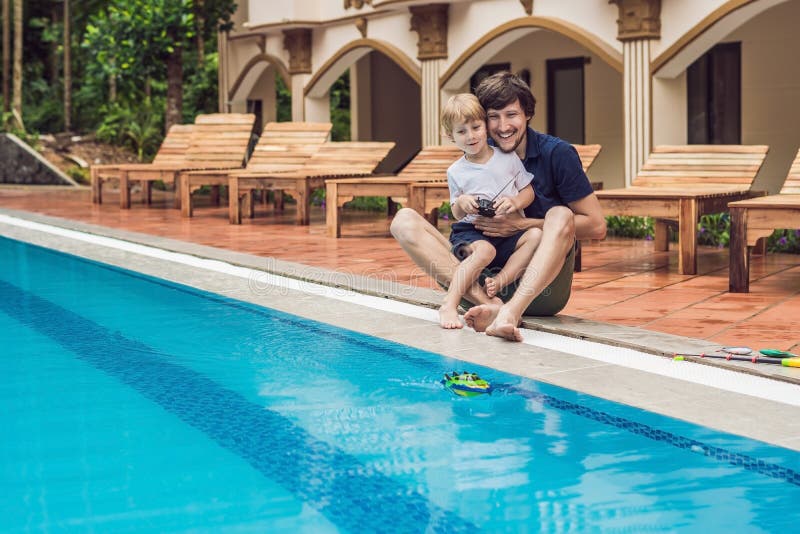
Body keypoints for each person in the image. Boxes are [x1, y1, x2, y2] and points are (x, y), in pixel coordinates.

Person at [391, 72, 606, 341]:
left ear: (527, 113)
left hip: (539, 288)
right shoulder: (479, 148)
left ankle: (510, 313)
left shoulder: (557, 154)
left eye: (511, 114)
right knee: (403, 220)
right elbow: (461, 212)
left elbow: (597, 226)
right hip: (478, 287)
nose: (503, 126)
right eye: (494, 116)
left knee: (560, 214)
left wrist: (522, 224)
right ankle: (493, 308)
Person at [438, 93, 541, 329]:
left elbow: (528, 192)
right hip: (473, 230)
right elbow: (455, 212)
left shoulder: (508, 158)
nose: (471, 136)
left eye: (475, 127)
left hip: (506, 228)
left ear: (486, 126)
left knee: (535, 235)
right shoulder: (456, 171)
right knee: (485, 252)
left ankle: (500, 280)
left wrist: (515, 203)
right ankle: (449, 305)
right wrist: (463, 203)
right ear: (450, 136)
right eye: (461, 132)